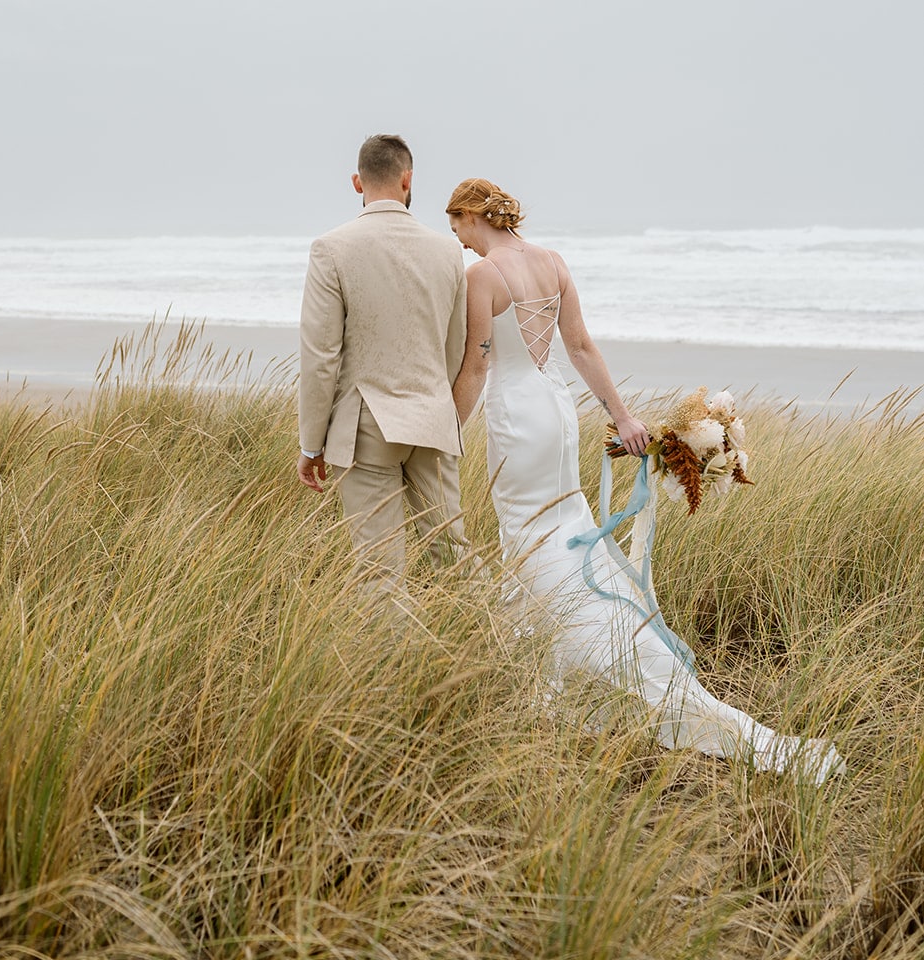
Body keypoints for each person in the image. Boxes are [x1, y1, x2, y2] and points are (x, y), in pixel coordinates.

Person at [446, 176, 844, 782]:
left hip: (514, 420)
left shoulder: (482, 276)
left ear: (473, 216)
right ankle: (561, 665)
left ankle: (568, 670)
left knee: (527, 534)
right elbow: (579, 346)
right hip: (557, 417)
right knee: (562, 522)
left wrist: (447, 429)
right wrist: (621, 415)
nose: (462, 245)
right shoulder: (552, 262)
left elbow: (477, 364)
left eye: (458, 231)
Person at [297, 135, 470, 609]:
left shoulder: (331, 249)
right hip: (434, 419)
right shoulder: (447, 251)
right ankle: (477, 657)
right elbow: (454, 347)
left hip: (367, 424)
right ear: (408, 180)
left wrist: (312, 444)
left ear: (357, 182)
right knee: (452, 556)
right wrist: (440, 405)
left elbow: (320, 356)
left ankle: (395, 678)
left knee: (379, 570)